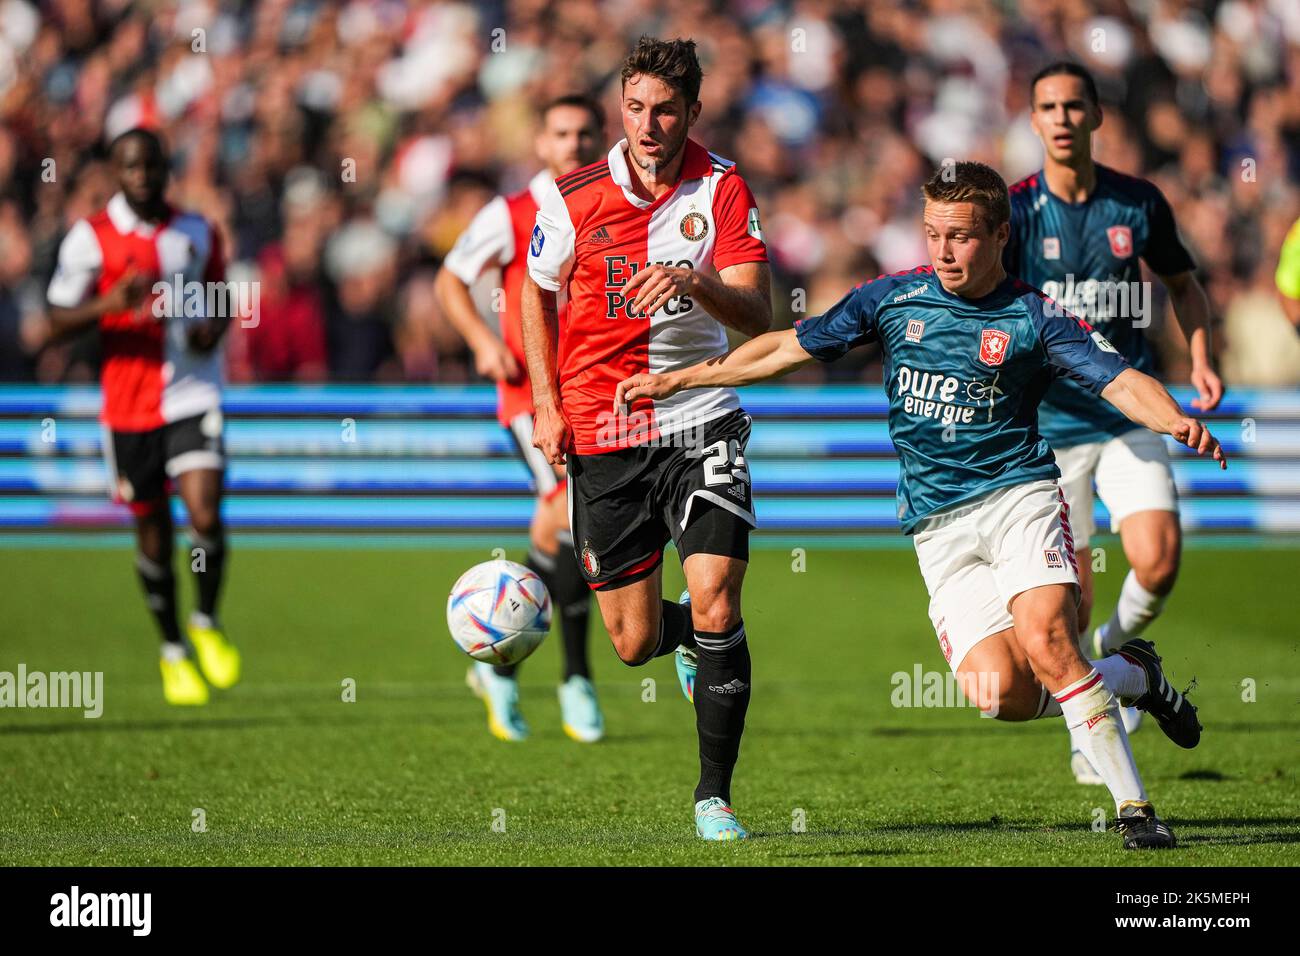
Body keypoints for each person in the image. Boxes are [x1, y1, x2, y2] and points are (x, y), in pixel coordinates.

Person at [615, 162, 1224, 849]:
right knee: (1006, 697)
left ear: (1000, 236)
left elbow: (1117, 382)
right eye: (933, 233)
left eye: (961, 237)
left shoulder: (1035, 317)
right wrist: (684, 378)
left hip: (1018, 496)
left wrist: (1175, 421)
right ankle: (1134, 672)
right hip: (937, 526)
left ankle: (1135, 811)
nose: (943, 250)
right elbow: (789, 345)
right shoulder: (892, 299)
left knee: (1052, 642)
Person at [522, 37, 772, 840]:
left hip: (699, 414)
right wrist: (545, 403)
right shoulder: (571, 197)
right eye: (635, 108)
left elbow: (757, 314)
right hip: (603, 425)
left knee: (718, 594)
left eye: (666, 109)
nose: (649, 124)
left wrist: (696, 281)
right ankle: (694, 642)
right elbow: (536, 293)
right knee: (631, 642)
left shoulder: (724, 189)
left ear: (693, 111)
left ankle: (713, 796)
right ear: (618, 109)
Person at [1004, 62, 1224, 783]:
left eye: (1075, 105)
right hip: (1047, 426)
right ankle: (1090, 717)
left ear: (1096, 117)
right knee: (1068, 597)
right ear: (1033, 120)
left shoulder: (1138, 203)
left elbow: (1184, 287)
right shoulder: (1014, 213)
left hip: (1126, 411)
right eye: (1048, 106)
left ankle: (1118, 651)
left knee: (1158, 560)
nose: (1062, 117)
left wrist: (1199, 359)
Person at [45, 127, 241, 706]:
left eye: (152, 166)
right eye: (131, 168)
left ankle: (206, 619)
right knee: (152, 530)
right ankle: (173, 648)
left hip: (192, 393)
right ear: (116, 172)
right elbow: (55, 318)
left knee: (204, 511)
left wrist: (214, 327)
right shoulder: (91, 239)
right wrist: (109, 305)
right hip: (129, 407)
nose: (143, 177)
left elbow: (222, 294)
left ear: (166, 169)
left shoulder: (197, 230)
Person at [434, 94, 607, 743]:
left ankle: (500, 667)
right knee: (570, 507)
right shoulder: (512, 212)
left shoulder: (608, 207)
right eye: (561, 133)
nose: (574, 144)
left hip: (593, 393)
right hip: (528, 398)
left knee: (562, 523)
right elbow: (450, 279)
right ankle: (575, 678)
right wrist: (482, 342)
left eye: (586, 132)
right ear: (541, 142)